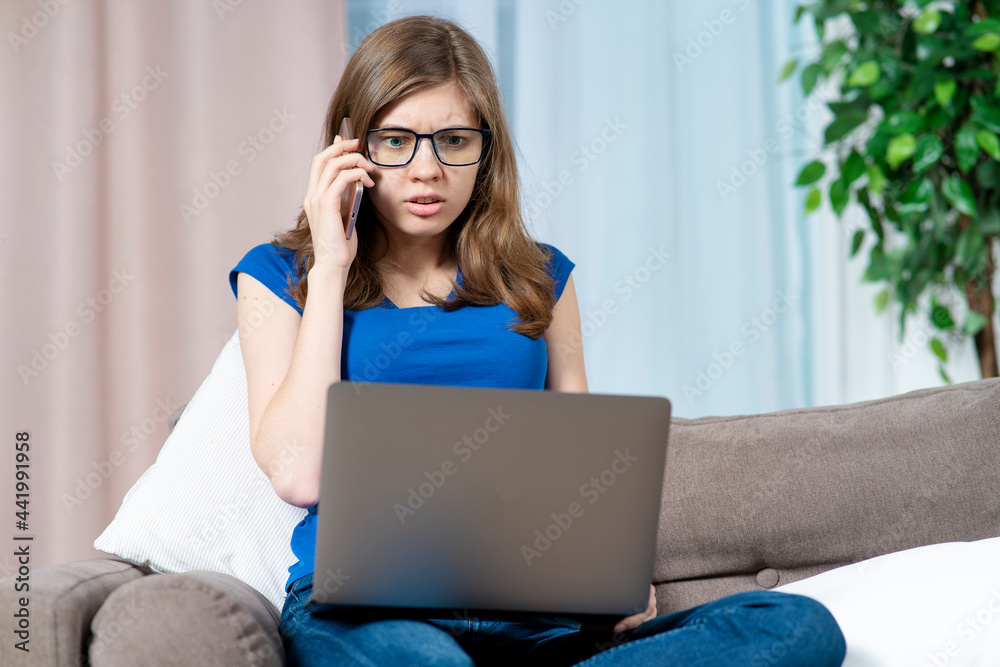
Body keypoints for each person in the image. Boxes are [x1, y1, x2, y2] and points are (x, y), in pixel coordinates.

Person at [229, 14, 847, 667]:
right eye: (396, 141)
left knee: (795, 627)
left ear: (487, 149)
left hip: (530, 619)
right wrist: (331, 265)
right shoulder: (280, 275)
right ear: (351, 149)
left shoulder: (541, 276)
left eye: (453, 140)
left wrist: (605, 569)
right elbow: (298, 472)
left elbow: (575, 465)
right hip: (365, 613)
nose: (427, 169)